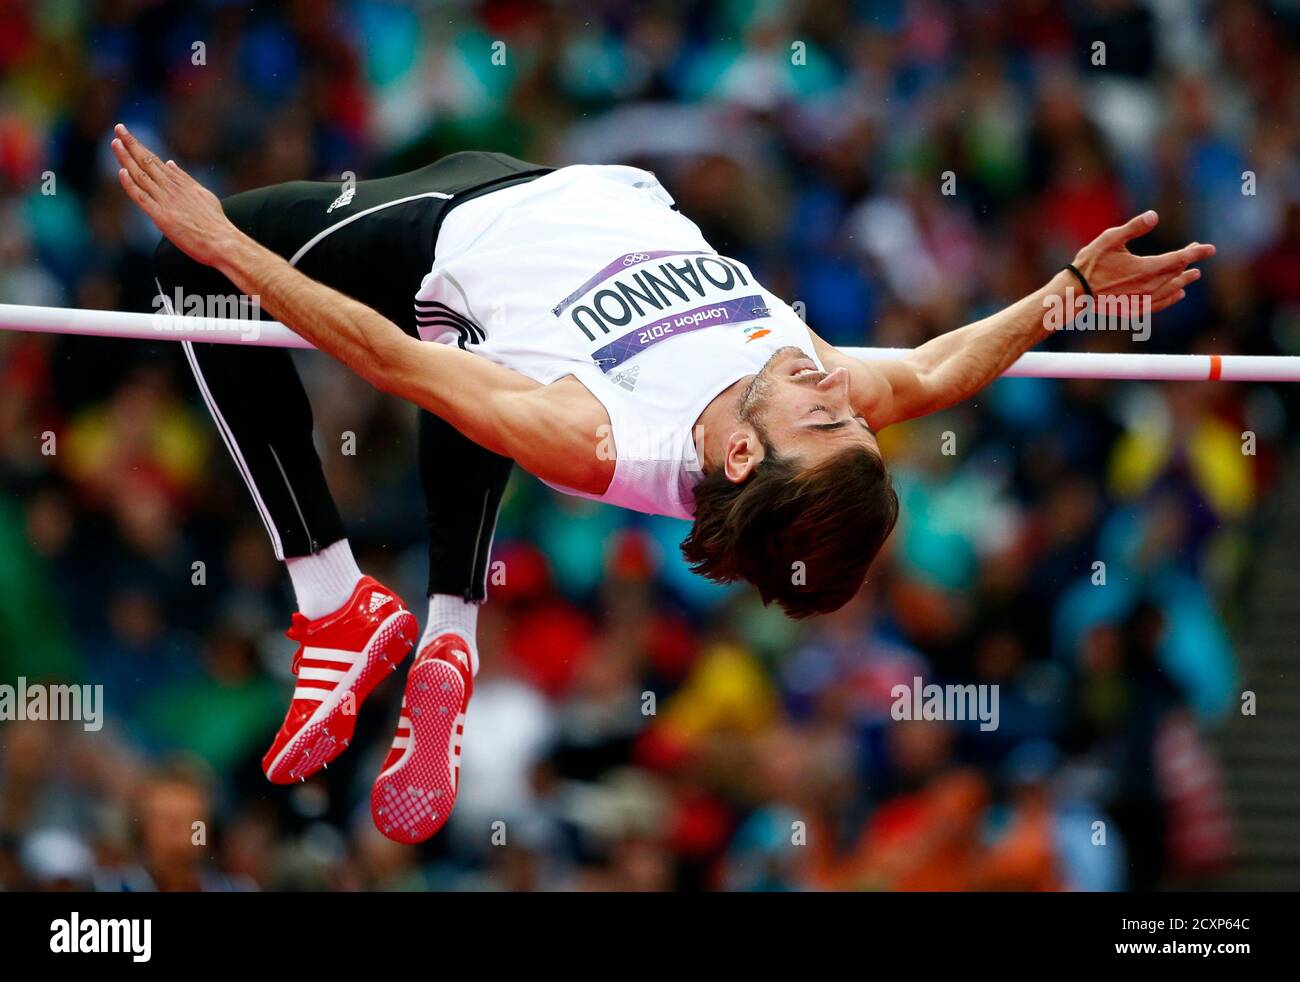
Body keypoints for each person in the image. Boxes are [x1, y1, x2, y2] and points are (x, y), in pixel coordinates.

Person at [111, 123, 1213, 845]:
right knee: (474, 349)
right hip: (569, 191)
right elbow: (934, 367)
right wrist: (1068, 287)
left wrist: (225, 246)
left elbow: (393, 364)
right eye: (849, 415)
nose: (832, 385)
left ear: (743, 457)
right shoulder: (816, 408)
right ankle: (449, 631)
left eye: (823, 413)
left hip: (464, 233)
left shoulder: (604, 437)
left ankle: (333, 602)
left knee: (198, 274)